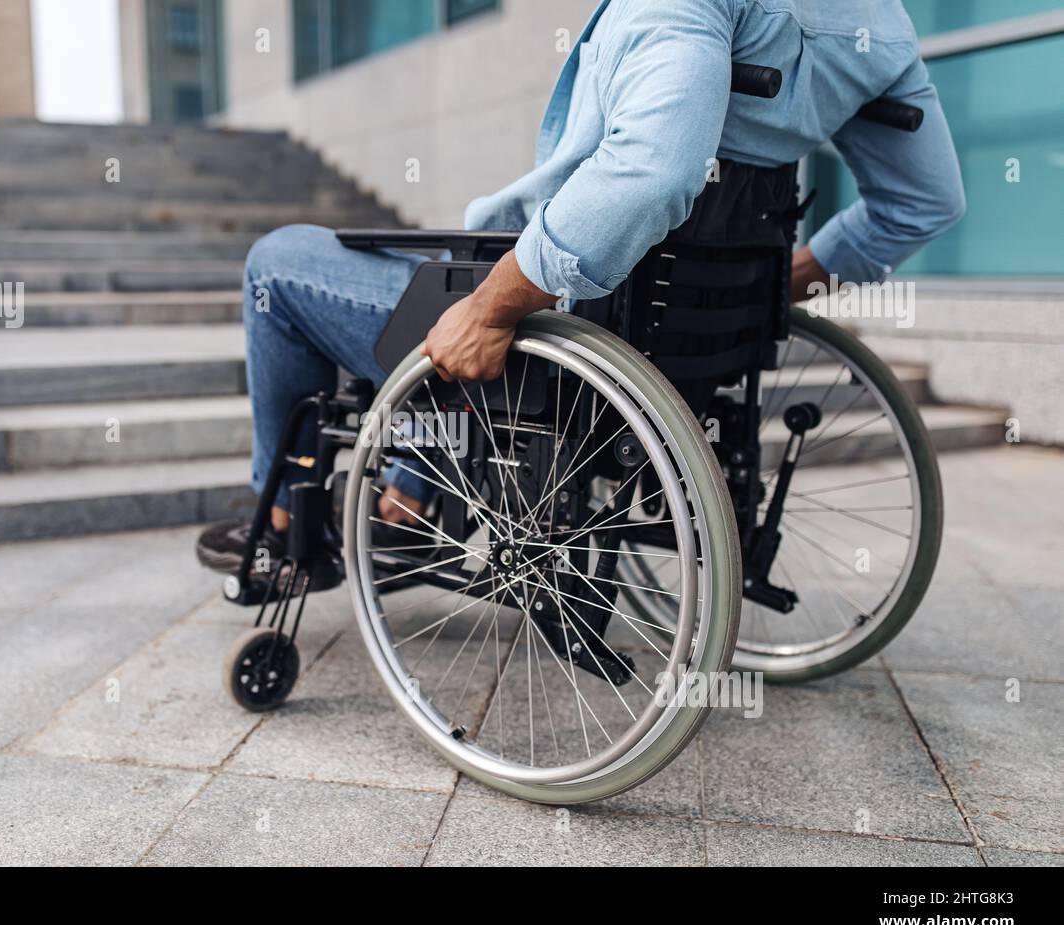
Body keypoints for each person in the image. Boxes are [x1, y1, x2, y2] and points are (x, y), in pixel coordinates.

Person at [197, 0, 965, 575]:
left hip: (567, 336)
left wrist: (494, 306)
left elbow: (654, 175)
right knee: (441, 265)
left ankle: (278, 526)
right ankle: (408, 496)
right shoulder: (879, 23)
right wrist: (771, 284)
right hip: (675, 341)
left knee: (281, 260)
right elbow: (926, 202)